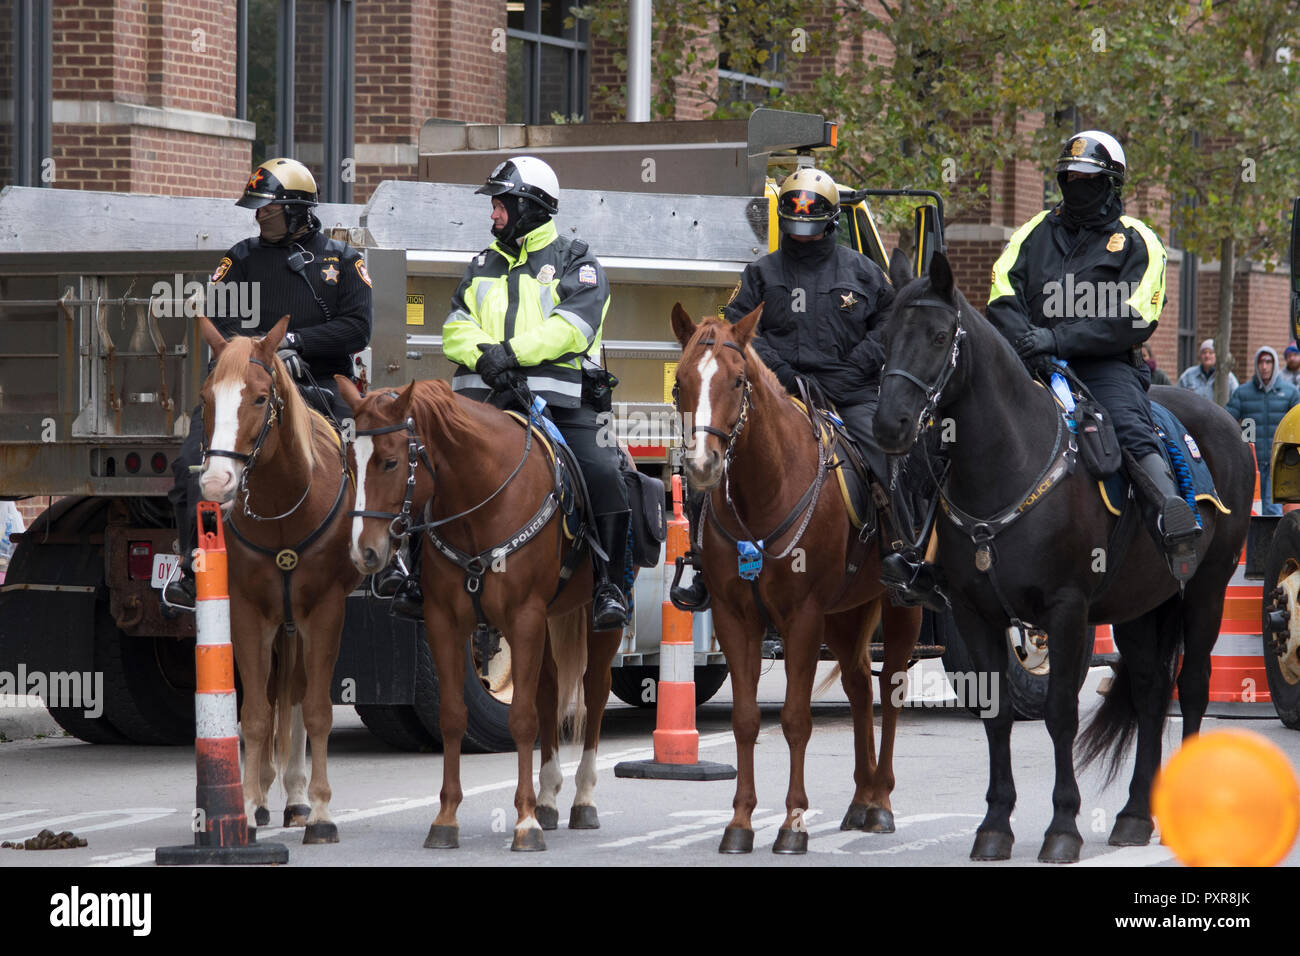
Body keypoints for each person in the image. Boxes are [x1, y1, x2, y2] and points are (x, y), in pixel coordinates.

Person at [378, 156, 630, 629]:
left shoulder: (577, 262)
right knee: (424, 466)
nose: (492, 215)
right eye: (494, 206)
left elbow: (571, 330)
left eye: (500, 205)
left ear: (531, 207)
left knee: (602, 470)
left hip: (559, 405)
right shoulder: (480, 265)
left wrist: (508, 353)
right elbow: (454, 328)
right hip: (481, 403)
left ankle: (609, 587)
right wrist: (485, 358)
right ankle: (415, 577)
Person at [669, 165, 926, 611]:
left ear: (829, 220)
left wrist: (854, 367)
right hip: (779, 396)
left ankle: (901, 555)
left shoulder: (863, 271)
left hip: (851, 395)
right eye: (795, 218)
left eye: (811, 219)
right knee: (706, 458)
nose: (803, 228)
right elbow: (735, 333)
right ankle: (701, 563)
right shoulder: (762, 273)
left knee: (889, 456)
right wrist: (783, 371)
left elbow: (890, 323)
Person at [983, 130, 1202, 582]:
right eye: (1069, 178)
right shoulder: (1032, 231)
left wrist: (1061, 341)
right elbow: (1002, 292)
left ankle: (1169, 520)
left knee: (1127, 425)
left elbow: (1138, 316)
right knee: (965, 421)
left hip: (1103, 367)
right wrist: (1031, 341)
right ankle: (927, 550)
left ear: (1111, 186)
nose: (1077, 186)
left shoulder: (1138, 239)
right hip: (1030, 361)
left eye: (1089, 179)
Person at [163, 158, 373, 609]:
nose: (259, 216)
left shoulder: (342, 260)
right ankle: (194, 560)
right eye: (257, 209)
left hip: (318, 384)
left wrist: (296, 342)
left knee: (365, 456)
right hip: (245, 388)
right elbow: (217, 322)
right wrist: (254, 357)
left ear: (297, 210)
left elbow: (358, 328)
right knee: (189, 467)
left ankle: (379, 558)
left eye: (268, 209)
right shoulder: (239, 259)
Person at [1226, 346, 1300, 516]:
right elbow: (1227, 418)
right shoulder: (1243, 393)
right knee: (1251, 509)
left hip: (1279, 463)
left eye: (1268, 362)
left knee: (1274, 509)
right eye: (1261, 362)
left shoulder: (1290, 393)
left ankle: (1273, 542)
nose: (1264, 366)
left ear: (1274, 365)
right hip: (1252, 463)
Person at [1178, 339, 1238, 404]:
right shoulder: (1188, 375)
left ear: (1217, 355)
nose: (1207, 356)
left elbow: (1236, 399)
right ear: (1200, 355)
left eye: (1211, 352)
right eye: (1204, 352)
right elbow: (1177, 396)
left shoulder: (1227, 377)